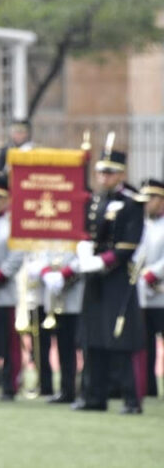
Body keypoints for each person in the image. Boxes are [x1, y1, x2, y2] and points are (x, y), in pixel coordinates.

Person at [73, 148, 145, 414]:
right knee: (93, 338)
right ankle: (94, 396)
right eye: (101, 172)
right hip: (95, 279)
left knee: (121, 337)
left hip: (118, 279)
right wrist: (83, 249)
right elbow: (87, 232)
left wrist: (103, 260)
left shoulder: (131, 202)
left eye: (110, 172)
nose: (104, 177)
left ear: (121, 174)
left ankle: (130, 399)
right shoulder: (95, 201)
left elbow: (128, 244)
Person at [0, 172, 24, 400]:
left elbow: (17, 256)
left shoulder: (12, 224)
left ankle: (10, 383)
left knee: (8, 341)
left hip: (3, 291)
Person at [33, 246, 83, 403]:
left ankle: (82, 387)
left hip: (75, 297)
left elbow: (83, 260)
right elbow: (41, 257)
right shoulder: (53, 239)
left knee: (80, 347)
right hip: (56, 299)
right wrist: (46, 272)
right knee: (64, 347)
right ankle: (66, 389)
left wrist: (65, 274)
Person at [135, 177, 164, 398]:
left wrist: (152, 273)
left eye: (151, 198)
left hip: (161, 292)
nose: (147, 203)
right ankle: (149, 388)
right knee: (146, 344)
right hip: (144, 294)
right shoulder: (141, 224)